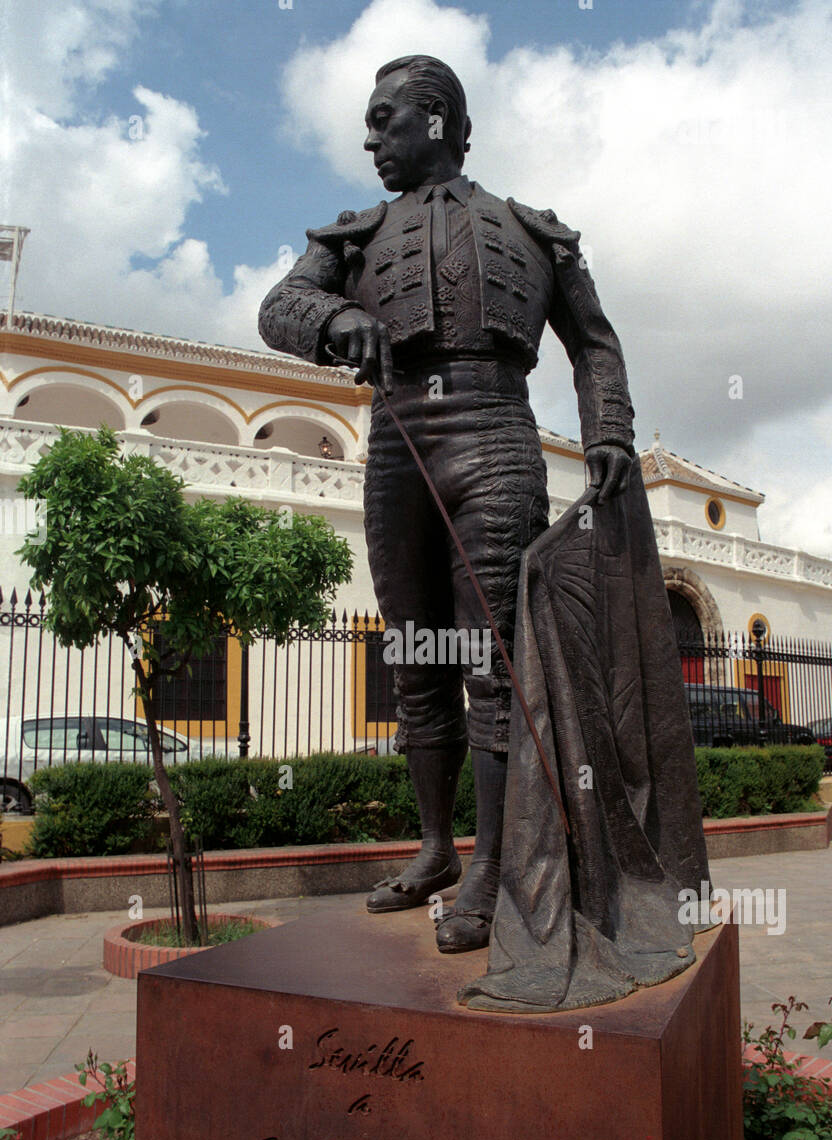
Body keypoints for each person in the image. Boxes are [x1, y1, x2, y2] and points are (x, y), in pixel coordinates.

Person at [259, 54, 637, 954]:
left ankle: (497, 868)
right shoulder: (354, 234)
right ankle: (434, 847)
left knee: (493, 662)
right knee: (414, 653)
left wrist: (609, 432)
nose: (369, 137)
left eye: (384, 118)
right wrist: (331, 321)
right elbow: (280, 306)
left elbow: (594, 345)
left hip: (496, 435)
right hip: (399, 442)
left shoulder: (532, 232)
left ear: (437, 120)